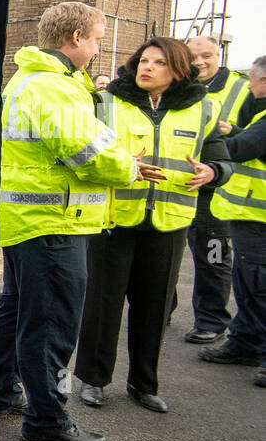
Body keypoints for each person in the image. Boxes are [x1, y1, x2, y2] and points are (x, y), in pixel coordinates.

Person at [0, 3, 164, 441]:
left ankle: (0, 392)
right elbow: (84, 153)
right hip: (54, 224)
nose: (98, 46)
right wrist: (129, 167)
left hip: (29, 223)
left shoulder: (32, 80)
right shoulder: (54, 87)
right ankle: (46, 419)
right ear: (75, 38)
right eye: (95, 38)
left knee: (17, 313)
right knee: (50, 326)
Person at [74, 38, 229, 413]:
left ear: (177, 70)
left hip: (169, 223)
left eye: (159, 63)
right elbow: (88, 155)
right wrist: (122, 163)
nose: (147, 68)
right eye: (144, 61)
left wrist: (213, 171)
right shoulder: (106, 103)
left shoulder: (204, 109)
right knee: (103, 304)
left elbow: (219, 159)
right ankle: (93, 381)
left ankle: (144, 385)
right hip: (114, 221)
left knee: (154, 306)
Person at [179, 36, 254, 343]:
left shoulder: (241, 87)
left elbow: (254, 135)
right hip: (175, 185)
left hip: (218, 190)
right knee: (161, 259)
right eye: (192, 57)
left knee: (213, 259)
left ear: (219, 54)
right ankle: (162, 311)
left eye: (206, 56)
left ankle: (211, 322)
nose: (199, 62)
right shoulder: (176, 85)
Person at [199, 54, 266, 387]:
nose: (249, 83)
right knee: (247, 281)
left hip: (255, 216)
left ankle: (238, 337)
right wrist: (233, 131)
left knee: (255, 284)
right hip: (244, 215)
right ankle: (245, 343)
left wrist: (207, 140)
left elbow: (241, 148)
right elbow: (250, 141)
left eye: (253, 78)